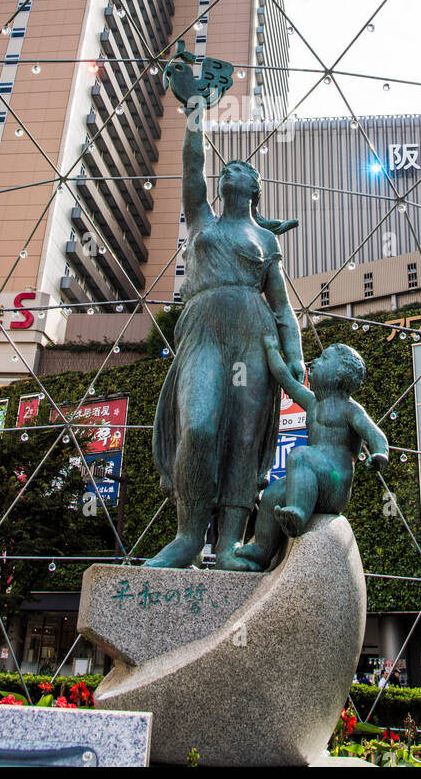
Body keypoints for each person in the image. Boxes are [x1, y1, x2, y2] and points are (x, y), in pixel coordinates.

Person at [146, 98, 304, 570]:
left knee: (243, 437)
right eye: (227, 167)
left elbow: (282, 306)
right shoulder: (202, 220)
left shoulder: (266, 240)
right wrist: (195, 109)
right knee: (199, 425)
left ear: (255, 188)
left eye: (243, 168)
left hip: (254, 335)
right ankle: (189, 536)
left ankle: (230, 543)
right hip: (203, 328)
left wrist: (294, 357)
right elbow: (191, 164)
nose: (231, 169)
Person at [236, 339, 389, 570]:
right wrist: (271, 350)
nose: (315, 362)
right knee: (272, 494)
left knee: (301, 455)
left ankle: (298, 514)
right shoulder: (312, 403)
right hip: (309, 480)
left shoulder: (350, 409)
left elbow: (375, 434)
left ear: (340, 376)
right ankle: (261, 551)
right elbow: (287, 381)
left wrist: (379, 454)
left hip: (334, 485)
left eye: (324, 359)